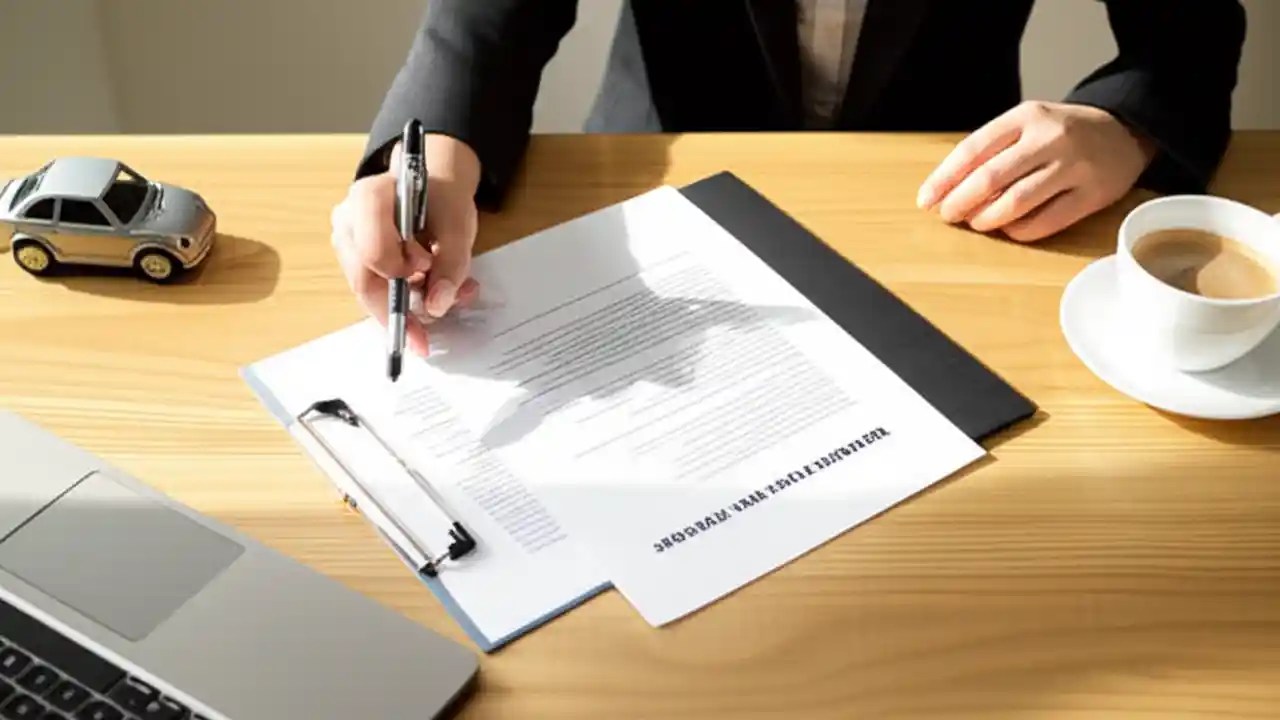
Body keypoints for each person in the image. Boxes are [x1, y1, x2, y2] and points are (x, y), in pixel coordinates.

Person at [330, 1, 1246, 357]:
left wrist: (1122, 123)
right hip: (657, 189)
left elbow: (1191, 35)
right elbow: (495, 15)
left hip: (950, 213)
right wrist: (437, 151)